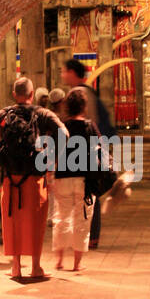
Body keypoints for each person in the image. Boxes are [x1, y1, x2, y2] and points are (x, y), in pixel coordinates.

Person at [0, 76, 67, 281]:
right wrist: (51, 159)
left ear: (14, 94)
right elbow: (64, 133)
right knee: (36, 221)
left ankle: (16, 267)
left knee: (12, 221)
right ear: (32, 94)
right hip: (35, 178)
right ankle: (35, 266)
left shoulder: (4, 114)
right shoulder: (43, 114)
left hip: (10, 178)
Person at [62, 58, 114, 248]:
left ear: (72, 73)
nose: (62, 75)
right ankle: (88, 235)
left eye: (64, 71)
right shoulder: (87, 91)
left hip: (83, 151)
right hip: (86, 150)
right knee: (87, 192)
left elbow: (88, 124)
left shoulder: (80, 93)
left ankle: (89, 235)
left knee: (89, 192)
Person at [50, 87, 97, 272]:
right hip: (84, 180)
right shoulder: (89, 126)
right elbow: (97, 152)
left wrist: (50, 175)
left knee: (61, 218)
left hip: (62, 177)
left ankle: (59, 260)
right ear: (84, 106)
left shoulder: (61, 127)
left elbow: (53, 153)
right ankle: (77, 263)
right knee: (82, 219)